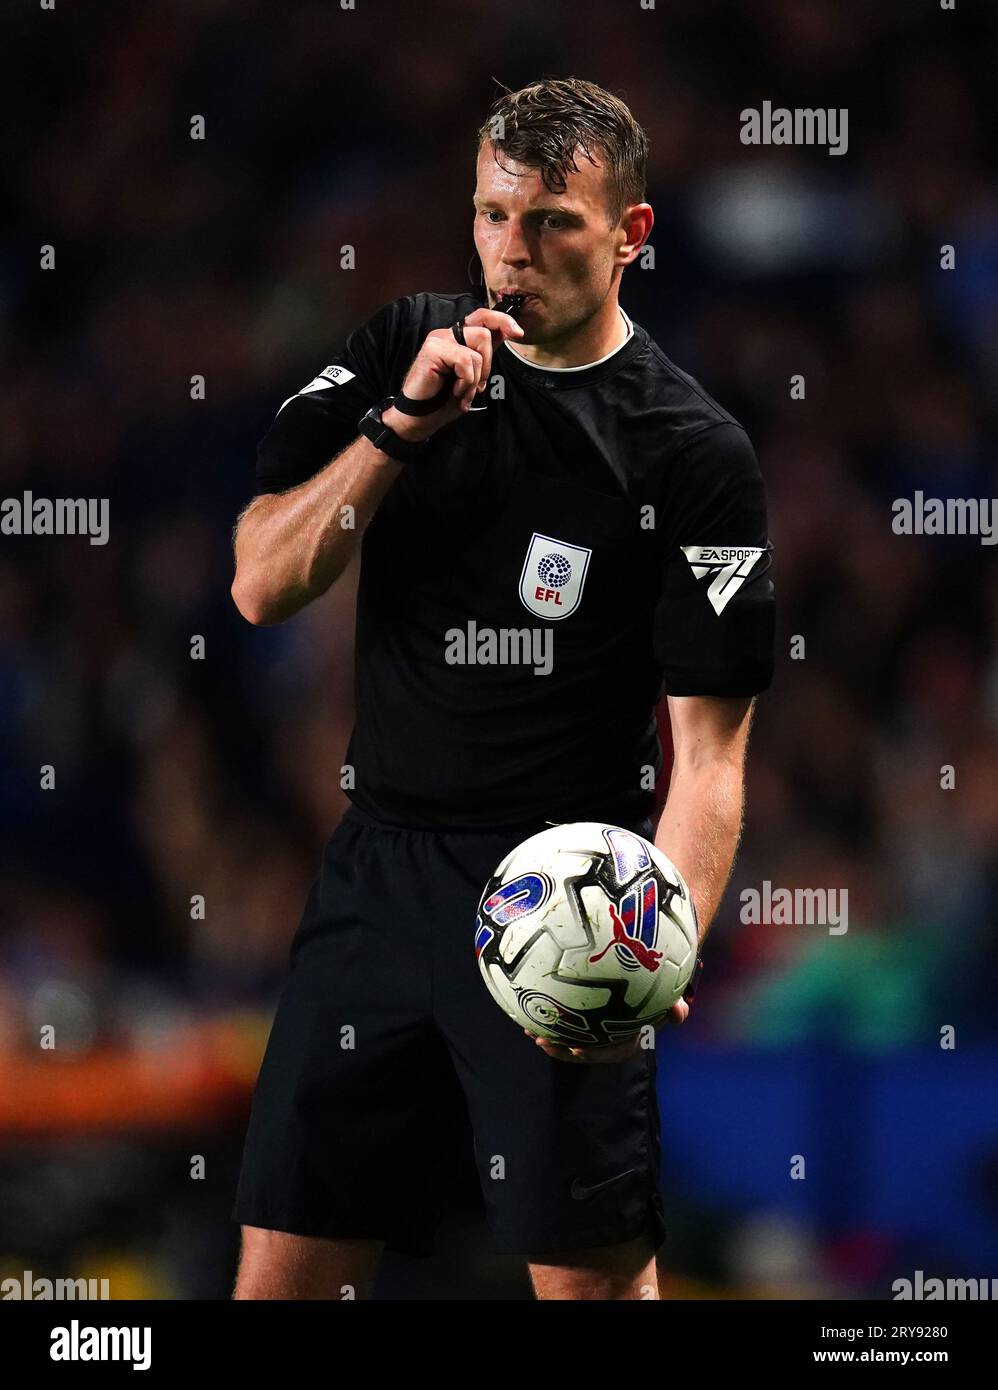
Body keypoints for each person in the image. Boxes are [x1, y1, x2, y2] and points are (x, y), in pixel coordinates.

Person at [229, 75, 775, 1301]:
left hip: (562, 901)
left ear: (630, 234)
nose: (507, 254)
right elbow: (262, 583)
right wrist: (398, 429)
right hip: (374, 877)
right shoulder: (396, 349)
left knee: (583, 1289)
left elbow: (712, 756)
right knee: (277, 1281)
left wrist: (658, 941)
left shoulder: (691, 454)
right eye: (490, 216)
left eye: (550, 224)